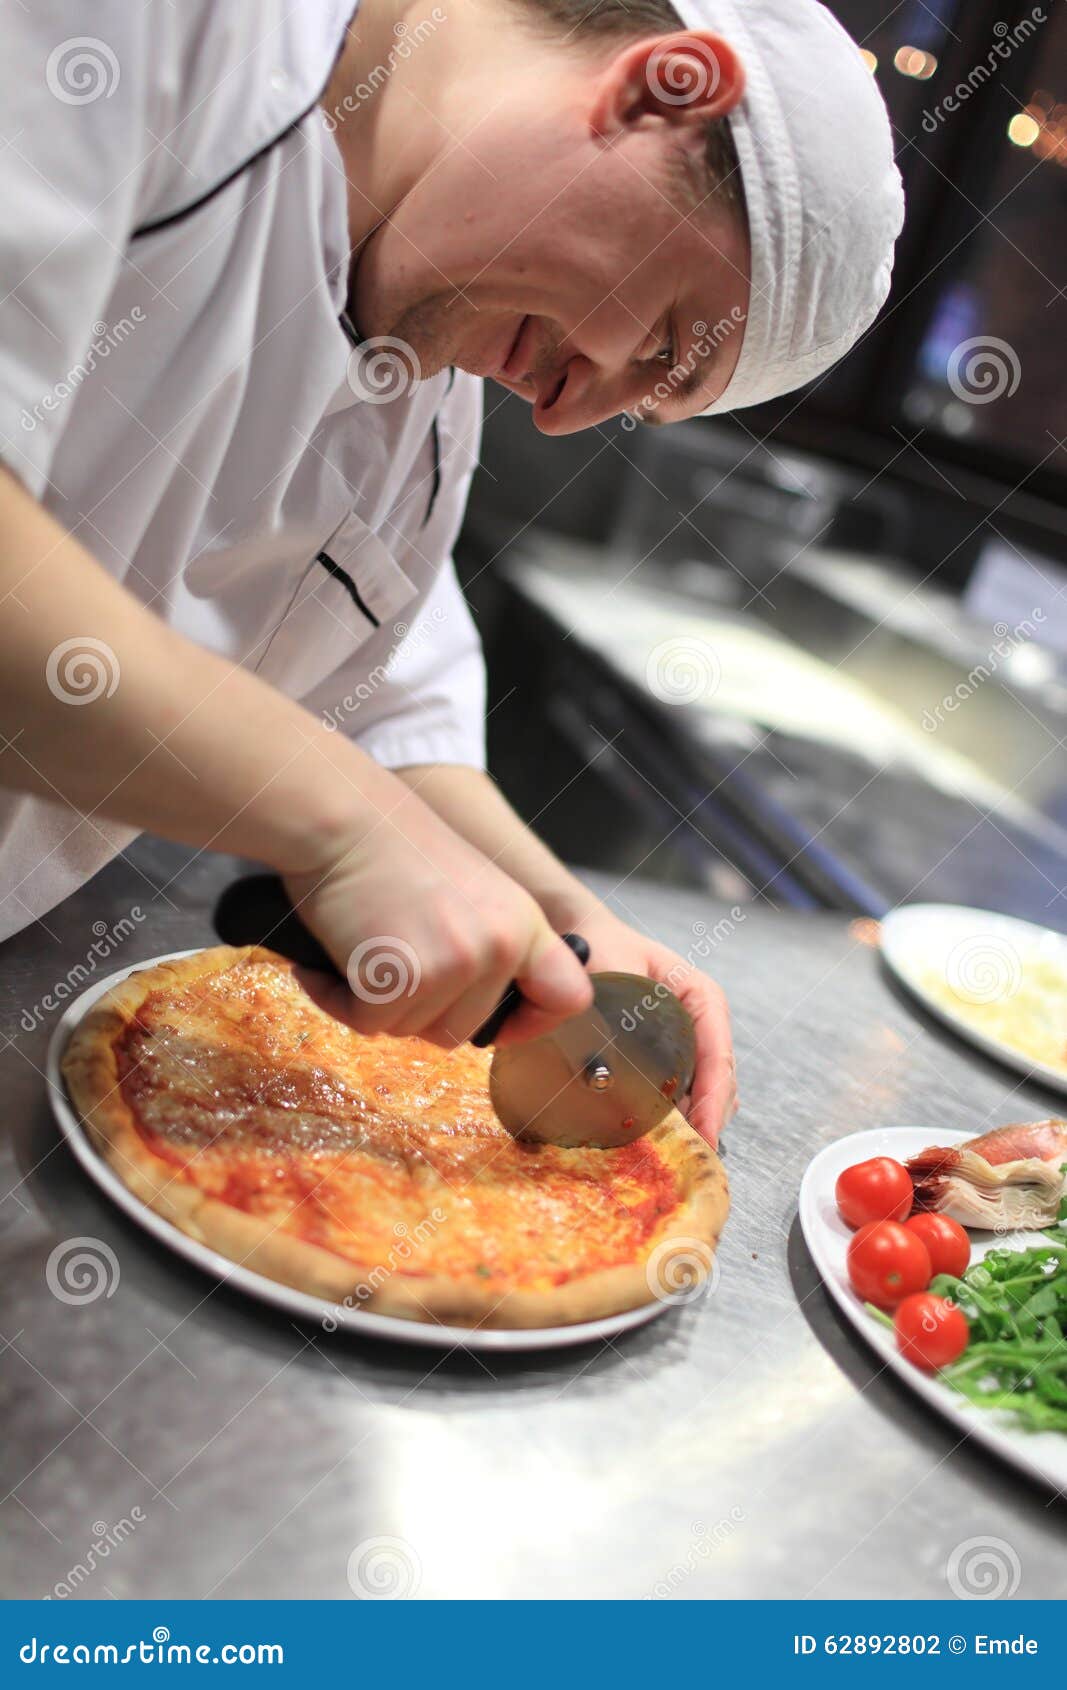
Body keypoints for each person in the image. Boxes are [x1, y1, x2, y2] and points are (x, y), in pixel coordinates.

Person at [0, 0, 902, 1145]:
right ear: (661, 90)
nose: (566, 413)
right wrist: (344, 829)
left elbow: (369, 704)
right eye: (661, 342)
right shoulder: (154, 32)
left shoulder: (426, 409)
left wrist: (559, 917)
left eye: (647, 396)